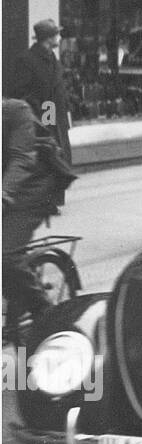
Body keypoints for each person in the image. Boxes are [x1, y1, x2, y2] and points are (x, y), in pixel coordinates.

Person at [3, 97, 74, 327]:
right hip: (9, 184)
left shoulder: (15, 110)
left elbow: (21, 158)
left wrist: (3, 194)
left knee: (6, 255)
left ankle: (45, 314)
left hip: (34, 185)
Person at [8, 19, 72, 164]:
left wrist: (67, 113)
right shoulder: (27, 60)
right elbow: (20, 94)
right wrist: (41, 113)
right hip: (41, 122)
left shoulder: (53, 58)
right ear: (49, 38)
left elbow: (59, 89)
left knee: (60, 164)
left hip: (58, 122)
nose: (60, 38)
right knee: (47, 165)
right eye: (57, 35)